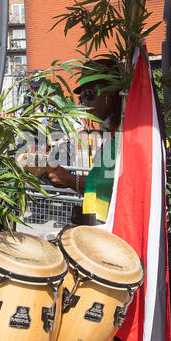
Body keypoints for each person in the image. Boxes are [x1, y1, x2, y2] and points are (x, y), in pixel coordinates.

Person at [45, 59, 122, 220]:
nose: (84, 103)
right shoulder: (112, 132)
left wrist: (65, 177)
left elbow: (117, 188)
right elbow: (102, 181)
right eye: (81, 98)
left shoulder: (126, 133)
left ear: (111, 90)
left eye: (89, 94)